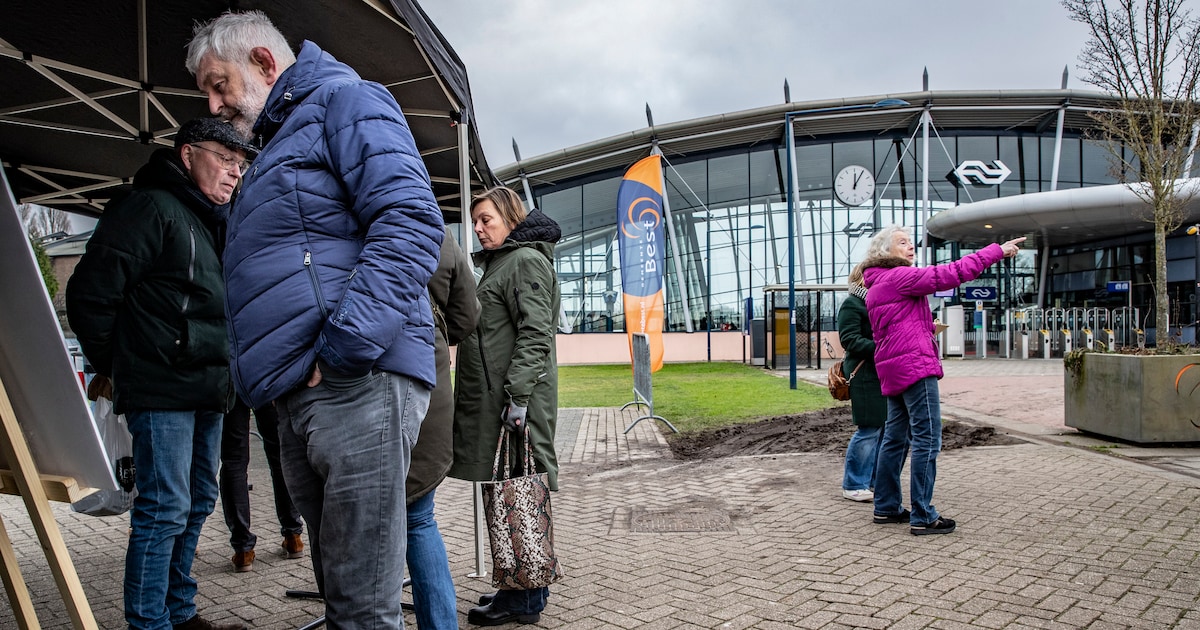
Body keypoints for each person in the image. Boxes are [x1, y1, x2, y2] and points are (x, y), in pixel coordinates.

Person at [187, 10, 444, 628]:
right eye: (207, 94)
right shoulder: (277, 143)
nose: (215, 104)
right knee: (342, 596)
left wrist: (342, 348)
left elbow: (410, 222)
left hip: (355, 382)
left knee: (361, 605)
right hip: (302, 394)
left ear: (265, 62)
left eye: (220, 84)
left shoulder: (345, 102)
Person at [65, 117, 254, 630]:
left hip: (210, 387)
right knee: (165, 508)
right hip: (162, 389)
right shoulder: (148, 207)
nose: (235, 172)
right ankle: (148, 622)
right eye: (225, 158)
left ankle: (179, 612)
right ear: (188, 154)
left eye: (241, 164)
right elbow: (88, 296)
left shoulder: (216, 220)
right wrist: (122, 364)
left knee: (197, 503)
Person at [861, 225, 1024, 536]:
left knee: (895, 438)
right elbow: (950, 273)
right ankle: (922, 515)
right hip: (914, 366)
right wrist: (996, 251)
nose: (910, 247)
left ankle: (886, 506)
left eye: (911, 242)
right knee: (927, 438)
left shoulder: (877, 283)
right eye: (902, 243)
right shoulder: (899, 277)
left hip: (894, 367)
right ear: (885, 252)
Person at [450, 186, 561, 627]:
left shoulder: (525, 261)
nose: (477, 229)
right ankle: (516, 586)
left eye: (486, 220)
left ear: (510, 218)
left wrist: (517, 398)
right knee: (504, 498)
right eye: (474, 222)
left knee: (518, 496)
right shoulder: (504, 262)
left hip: (513, 408)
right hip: (499, 404)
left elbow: (536, 334)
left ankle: (526, 600)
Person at [405, 228, 480, 629]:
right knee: (418, 518)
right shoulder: (438, 235)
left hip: (357, 385)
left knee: (361, 526)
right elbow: (467, 316)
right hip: (426, 375)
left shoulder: (347, 219)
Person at [218, 398, 304, 572]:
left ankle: (243, 548)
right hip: (264, 377)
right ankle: (293, 535)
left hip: (232, 381)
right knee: (280, 456)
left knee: (234, 461)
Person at [836, 262, 886, 503]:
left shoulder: (879, 302)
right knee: (869, 428)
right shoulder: (853, 304)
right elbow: (850, 340)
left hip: (881, 372)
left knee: (883, 429)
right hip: (865, 374)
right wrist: (885, 347)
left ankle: (874, 482)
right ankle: (854, 483)